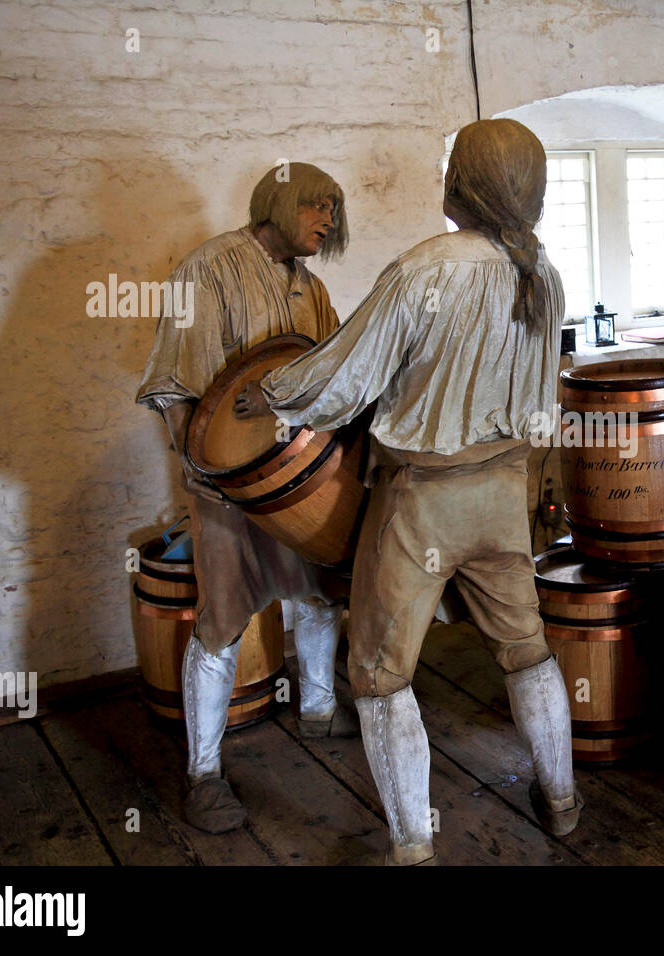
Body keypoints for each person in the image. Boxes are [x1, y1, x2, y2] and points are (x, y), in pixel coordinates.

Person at [238, 118, 577, 865]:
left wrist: (273, 396)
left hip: (422, 498)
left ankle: (414, 847)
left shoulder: (425, 268)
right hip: (502, 492)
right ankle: (560, 804)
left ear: (461, 185)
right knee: (526, 649)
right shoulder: (542, 273)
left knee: (381, 672)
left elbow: (345, 376)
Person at [135, 162, 356, 833]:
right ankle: (203, 774)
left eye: (333, 213)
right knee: (222, 618)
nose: (327, 223)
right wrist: (204, 471)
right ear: (282, 202)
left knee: (319, 592)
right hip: (227, 486)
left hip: (299, 479)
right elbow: (176, 381)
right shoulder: (209, 268)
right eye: (317, 207)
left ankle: (318, 710)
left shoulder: (309, 287)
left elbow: (339, 363)